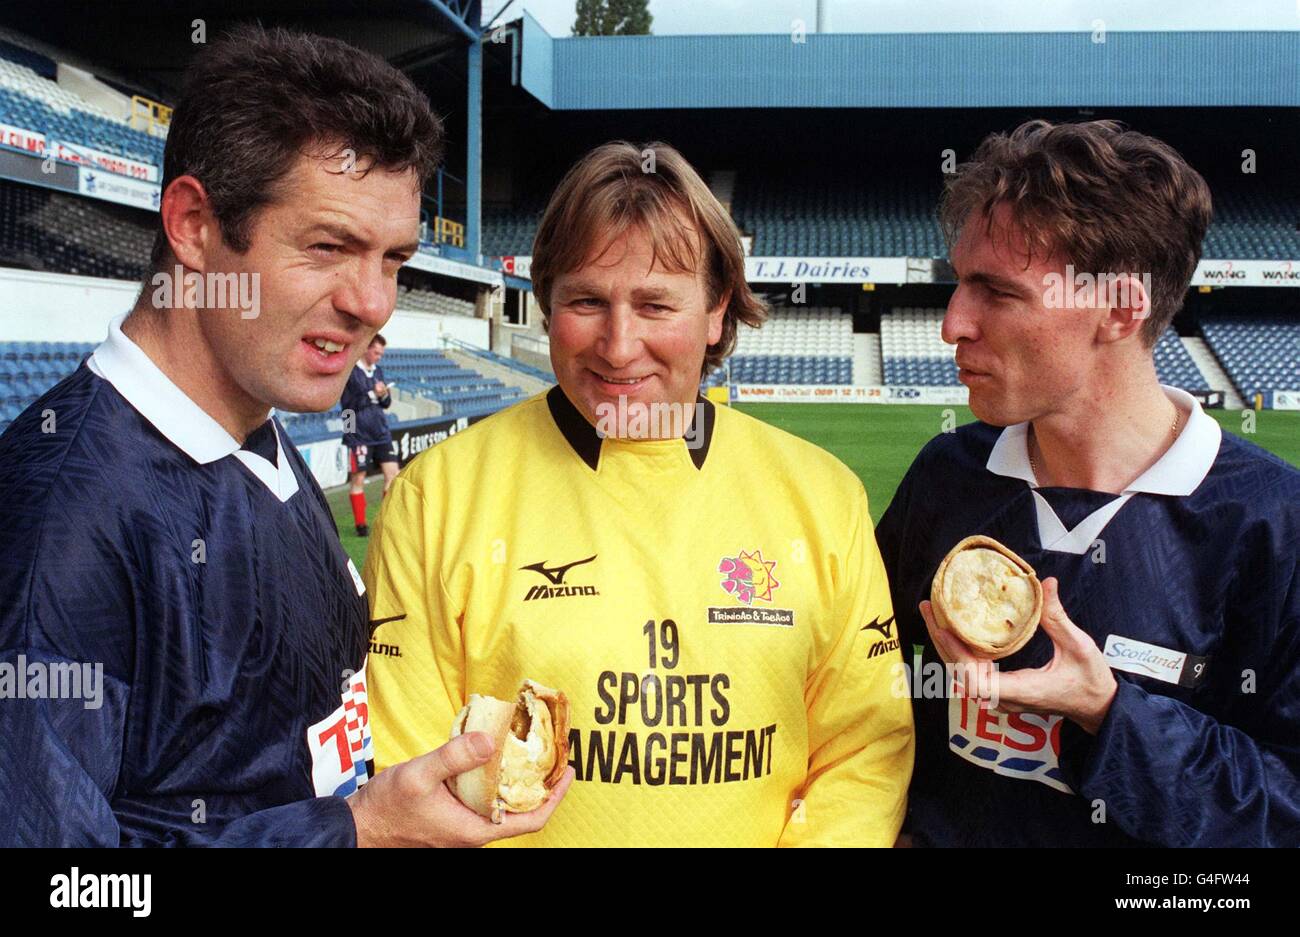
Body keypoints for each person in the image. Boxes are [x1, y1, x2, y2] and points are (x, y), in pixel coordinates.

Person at [0, 25, 568, 847]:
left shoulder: (256, 430)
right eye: (330, 247)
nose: (372, 303)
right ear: (194, 224)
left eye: (393, 259)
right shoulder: (58, 528)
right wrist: (356, 831)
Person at [363, 141, 914, 847]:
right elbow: (408, 777)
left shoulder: (824, 498)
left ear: (717, 311)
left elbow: (864, 749)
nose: (619, 347)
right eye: (587, 301)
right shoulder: (435, 499)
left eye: (656, 304)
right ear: (546, 305)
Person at [875, 119, 1300, 847]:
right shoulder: (949, 476)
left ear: (1120, 308)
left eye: (996, 294)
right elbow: (856, 677)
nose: (951, 324)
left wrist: (1109, 713)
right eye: (957, 286)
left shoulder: (1272, 521)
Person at [343, 333, 399, 536]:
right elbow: (347, 408)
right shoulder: (350, 372)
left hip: (381, 432)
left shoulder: (379, 371)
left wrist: (383, 395)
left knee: (393, 475)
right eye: (376, 352)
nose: (379, 357)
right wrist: (371, 394)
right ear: (366, 348)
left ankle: (386, 520)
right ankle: (361, 525)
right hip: (359, 435)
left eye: (381, 354)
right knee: (358, 479)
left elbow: (386, 404)